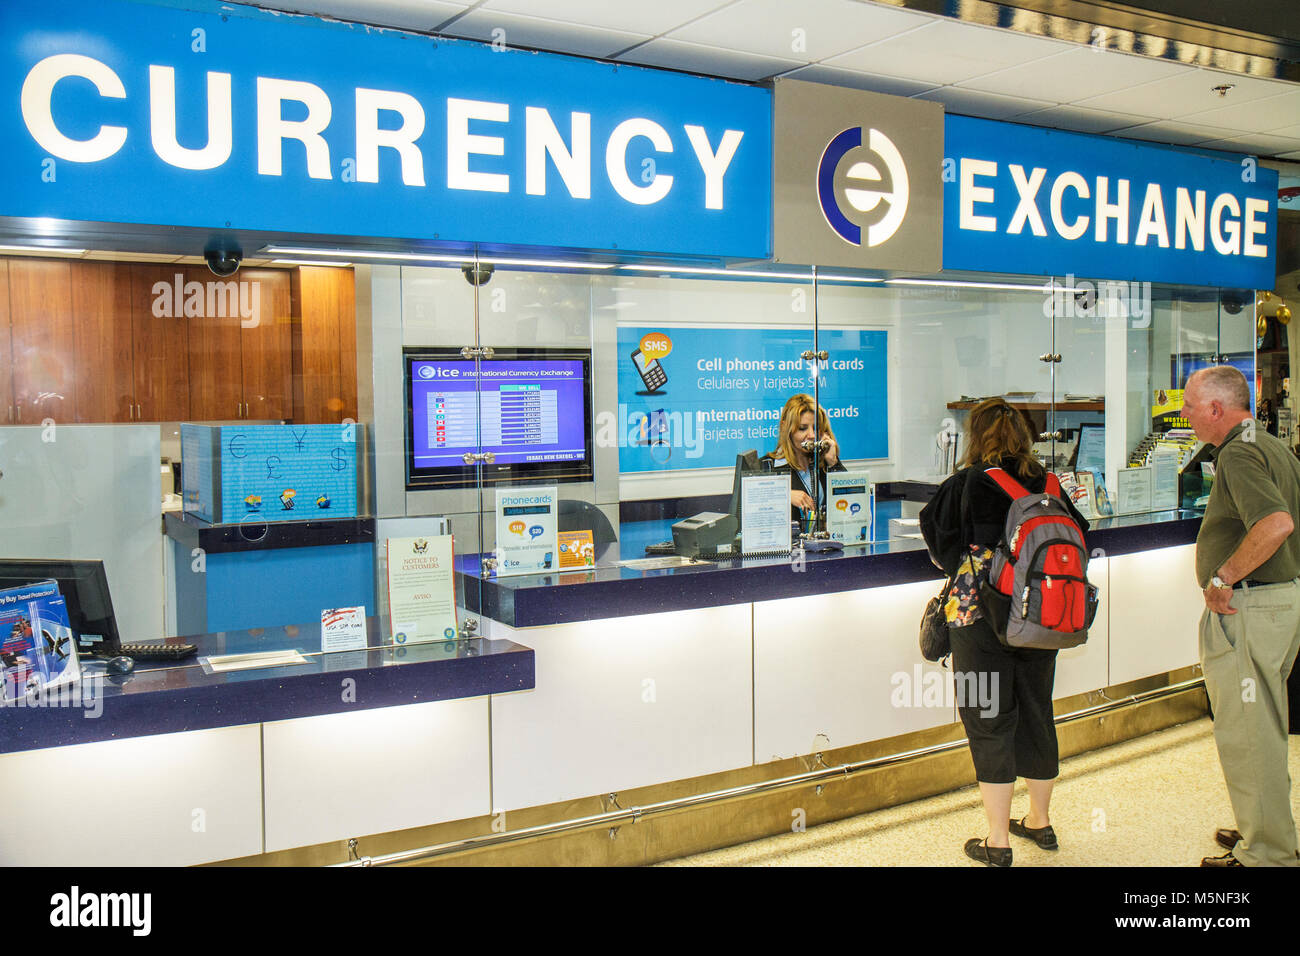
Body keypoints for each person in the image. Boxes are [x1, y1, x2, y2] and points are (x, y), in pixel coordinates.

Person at [919, 398, 1089, 867]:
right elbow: (1083, 532)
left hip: (980, 618)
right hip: (1041, 615)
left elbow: (941, 544)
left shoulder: (968, 482)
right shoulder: (1051, 483)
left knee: (989, 719)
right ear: (1026, 436)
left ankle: (998, 839)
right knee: (1037, 711)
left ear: (977, 436)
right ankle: (1039, 820)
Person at [1181, 366, 1300, 867]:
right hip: (1277, 602)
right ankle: (1265, 830)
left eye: (1189, 406)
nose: (1183, 415)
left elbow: (1276, 523)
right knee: (1263, 727)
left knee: (1247, 731)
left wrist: (1222, 578)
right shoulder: (1269, 444)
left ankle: (1268, 853)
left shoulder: (1239, 452)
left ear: (1215, 409)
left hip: (1248, 606)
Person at [762, 394, 845, 527]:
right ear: (785, 428)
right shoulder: (766, 467)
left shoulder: (825, 463)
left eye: (816, 428)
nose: (812, 435)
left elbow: (852, 505)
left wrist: (833, 463)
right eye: (802, 428)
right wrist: (783, 496)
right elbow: (752, 513)